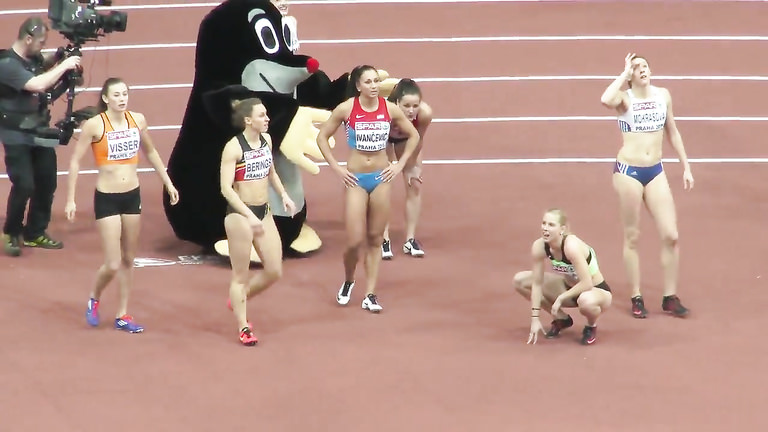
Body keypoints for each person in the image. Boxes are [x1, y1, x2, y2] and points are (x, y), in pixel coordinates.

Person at [64, 77, 180, 334]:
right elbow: (74, 161)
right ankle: (94, 297)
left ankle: (122, 314)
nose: (122, 98)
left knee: (129, 259)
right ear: (106, 98)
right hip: (107, 197)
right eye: (116, 94)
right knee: (113, 262)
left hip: (132, 196)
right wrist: (71, 198)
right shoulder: (95, 125)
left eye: (125, 93)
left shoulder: (137, 120)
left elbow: (150, 152)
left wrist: (168, 182)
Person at [316, 64, 419, 313]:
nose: (374, 86)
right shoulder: (347, 108)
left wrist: (399, 165)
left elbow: (413, 135)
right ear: (358, 85)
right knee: (353, 241)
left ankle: (370, 293)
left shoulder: (390, 108)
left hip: (381, 178)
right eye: (369, 82)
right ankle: (349, 280)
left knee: (374, 239)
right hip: (356, 179)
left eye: (376, 81)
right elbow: (322, 137)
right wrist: (337, 168)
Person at [600, 53, 693, 319]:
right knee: (632, 237)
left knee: (671, 235)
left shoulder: (663, 95)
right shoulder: (624, 98)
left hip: (655, 171)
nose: (642, 70)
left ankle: (670, 297)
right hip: (628, 173)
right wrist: (623, 75)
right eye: (637, 67)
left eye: (645, 65)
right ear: (631, 74)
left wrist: (686, 166)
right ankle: (636, 296)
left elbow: (672, 130)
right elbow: (605, 99)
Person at [0, 16, 82, 256]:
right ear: (27, 39)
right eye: (41, 42)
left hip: (38, 129)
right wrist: (64, 66)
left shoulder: (30, 58)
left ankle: (35, 232)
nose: (42, 46)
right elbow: (36, 83)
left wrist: (60, 56)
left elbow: (41, 62)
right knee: (24, 184)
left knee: (47, 183)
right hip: (16, 135)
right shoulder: (6, 64)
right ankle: (12, 231)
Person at [220, 97, 296, 346]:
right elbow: (226, 189)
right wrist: (249, 215)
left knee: (274, 270)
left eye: (266, 115)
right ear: (248, 120)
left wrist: (284, 195)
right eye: (262, 115)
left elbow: (271, 172)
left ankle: (239, 299)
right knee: (240, 277)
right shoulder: (234, 148)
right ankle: (243, 326)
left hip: (264, 211)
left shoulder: (267, 140)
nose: (267, 119)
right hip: (240, 215)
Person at [513, 208, 613, 346]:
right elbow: (537, 283)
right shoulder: (540, 246)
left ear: (562, 229)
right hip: (567, 287)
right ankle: (561, 318)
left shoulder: (571, 246)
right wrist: (535, 318)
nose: (545, 228)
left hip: (595, 291)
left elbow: (587, 283)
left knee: (586, 301)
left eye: (551, 225)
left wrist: (561, 298)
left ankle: (591, 326)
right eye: (544, 223)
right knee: (520, 281)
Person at [381, 78, 433, 260]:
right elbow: (378, 144)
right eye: (406, 106)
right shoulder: (384, 113)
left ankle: (410, 240)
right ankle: (383, 238)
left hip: (408, 141)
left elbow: (418, 140)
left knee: (414, 184)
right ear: (396, 103)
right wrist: (390, 166)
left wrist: (411, 166)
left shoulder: (424, 114)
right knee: (383, 184)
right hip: (384, 140)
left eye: (415, 105)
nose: (411, 110)